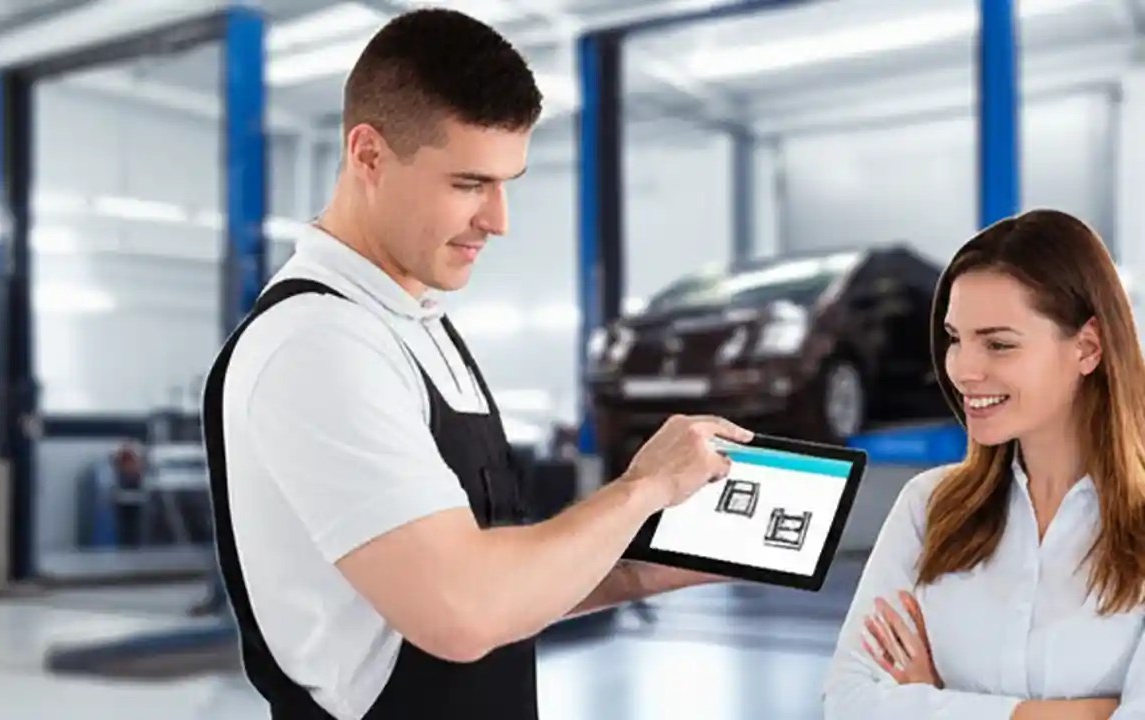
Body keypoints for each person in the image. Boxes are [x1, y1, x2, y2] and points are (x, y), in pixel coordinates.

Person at [200, 9, 750, 720]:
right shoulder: (316, 344)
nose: (499, 219)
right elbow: (461, 610)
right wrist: (643, 487)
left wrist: (640, 569)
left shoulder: (415, 326)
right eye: (469, 183)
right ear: (368, 156)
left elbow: (493, 578)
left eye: (506, 182)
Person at [822, 209, 1145, 719]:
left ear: (1087, 347)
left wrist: (932, 701)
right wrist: (1086, 712)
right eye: (955, 338)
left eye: (998, 344)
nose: (962, 370)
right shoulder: (927, 508)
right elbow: (849, 704)